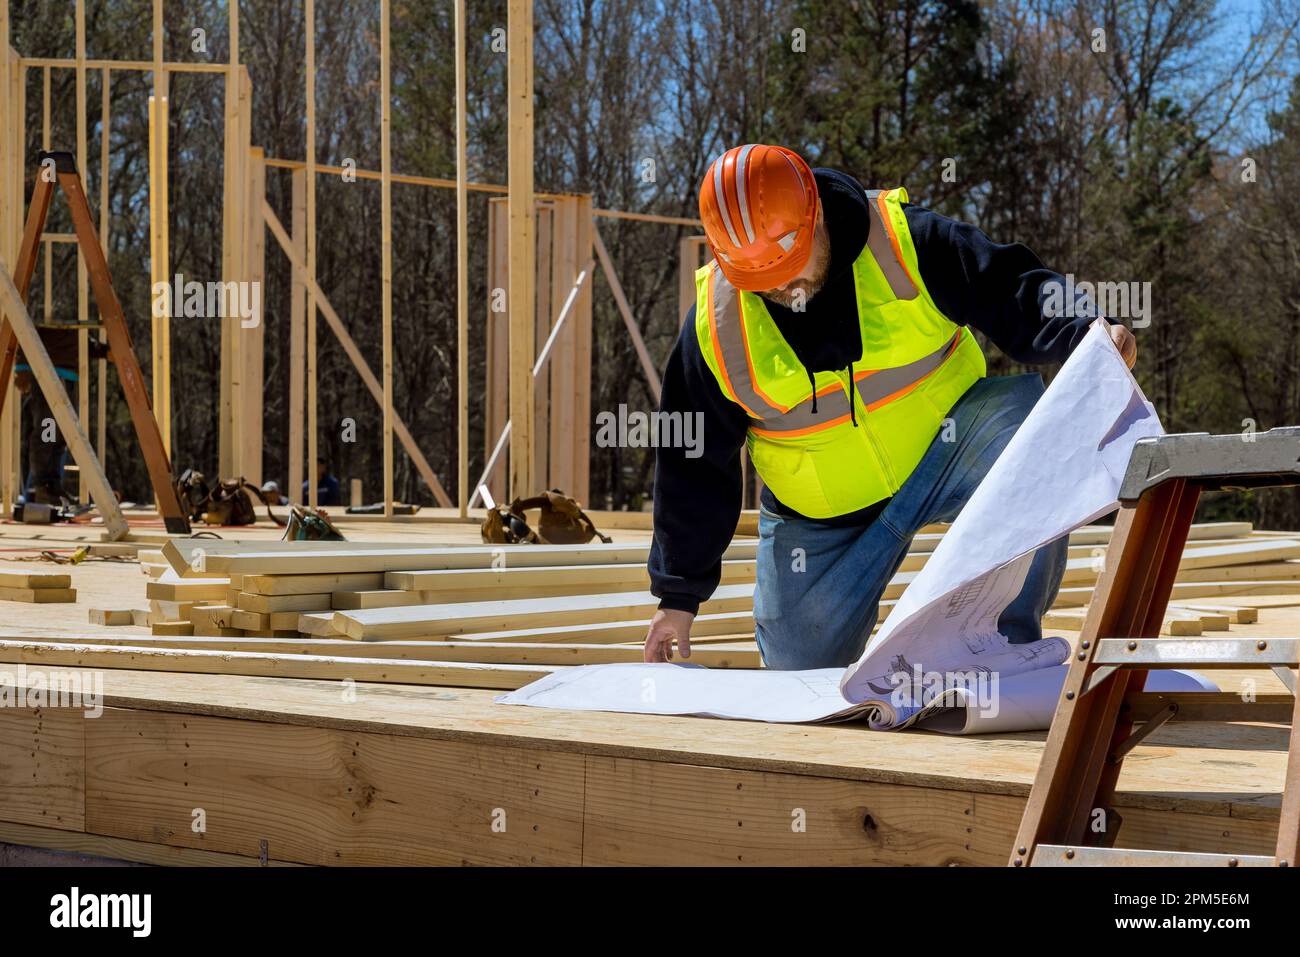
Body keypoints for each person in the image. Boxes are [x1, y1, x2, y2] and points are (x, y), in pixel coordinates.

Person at [644, 144, 1136, 669]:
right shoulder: (716, 330)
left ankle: (1004, 645)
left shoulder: (905, 243)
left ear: (818, 217)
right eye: (763, 283)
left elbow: (1008, 286)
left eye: (791, 266)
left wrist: (1085, 331)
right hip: (822, 520)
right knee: (800, 668)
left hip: (951, 455)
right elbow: (691, 463)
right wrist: (677, 597)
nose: (786, 289)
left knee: (1023, 436)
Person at [15, 326, 109, 505]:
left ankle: (53, 486)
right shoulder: (48, 313)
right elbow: (25, 329)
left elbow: (79, 339)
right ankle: (43, 486)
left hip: (67, 376)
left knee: (61, 434)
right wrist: (22, 366)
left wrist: (104, 350)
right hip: (46, 375)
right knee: (47, 430)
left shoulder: (73, 322)